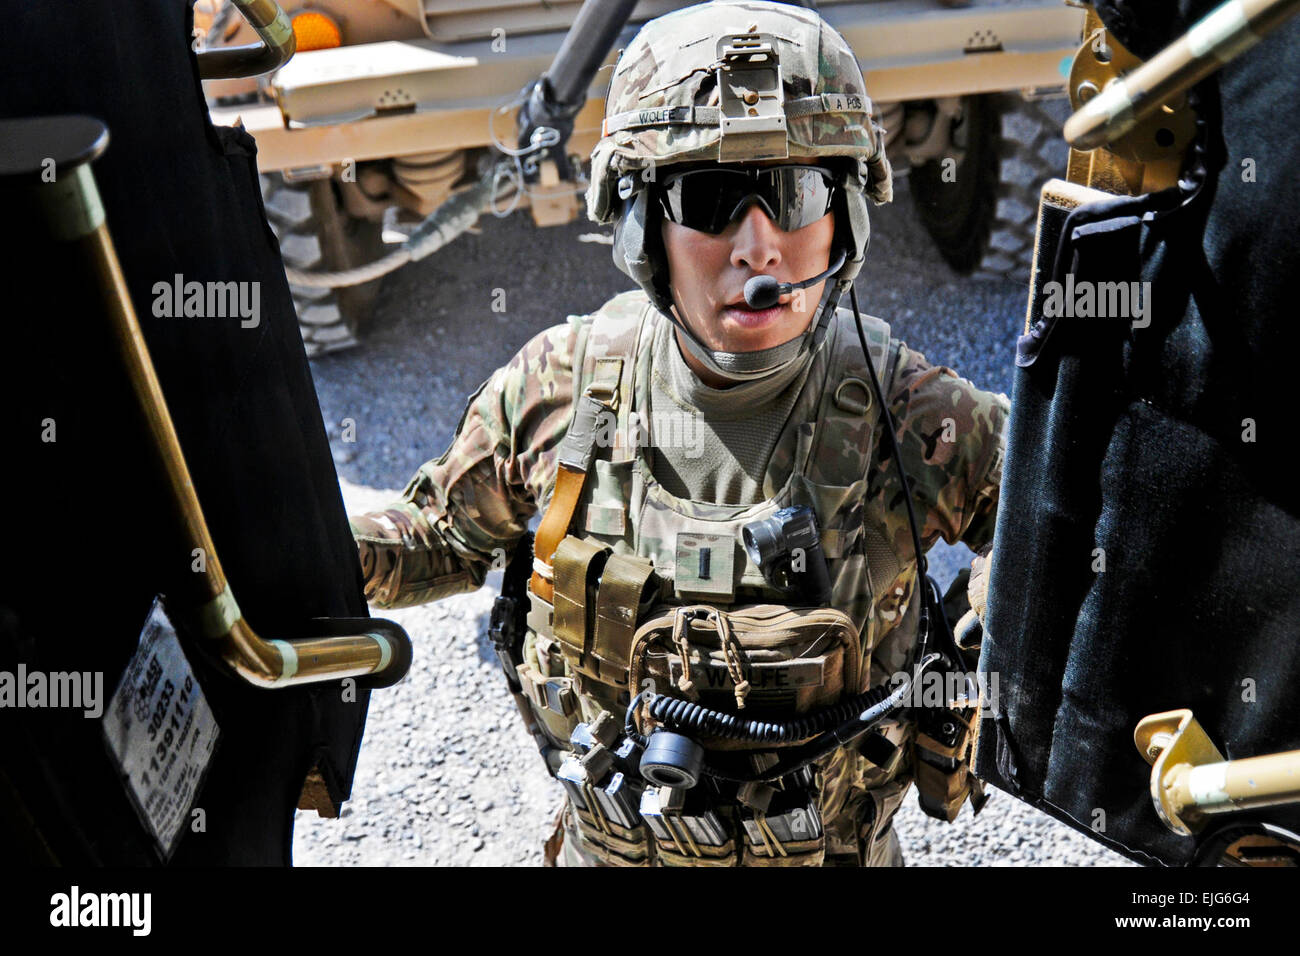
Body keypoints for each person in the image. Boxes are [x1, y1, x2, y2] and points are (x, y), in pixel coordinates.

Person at [349, 0, 1009, 867]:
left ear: (845, 216)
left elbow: (1072, 529)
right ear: (641, 227)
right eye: (709, 201)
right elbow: (439, 536)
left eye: (796, 193)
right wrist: (287, 548)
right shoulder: (562, 388)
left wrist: (981, 630)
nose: (757, 248)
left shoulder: (914, 414)